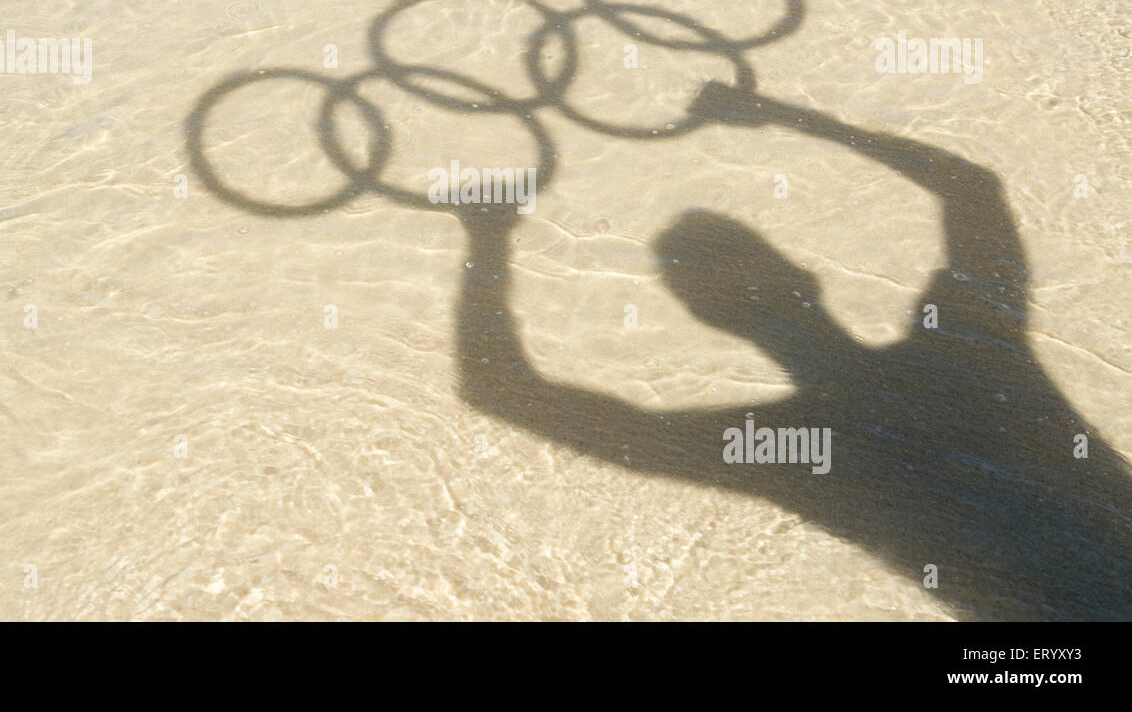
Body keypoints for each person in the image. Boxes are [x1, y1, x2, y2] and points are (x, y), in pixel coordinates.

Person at [453, 81, 1132, 620]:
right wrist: (776, 112)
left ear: (711, 323)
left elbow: (504, 392)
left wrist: (486, 234)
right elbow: (970, 185)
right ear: (808, 277)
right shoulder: (973, 345)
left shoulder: (785, 450)